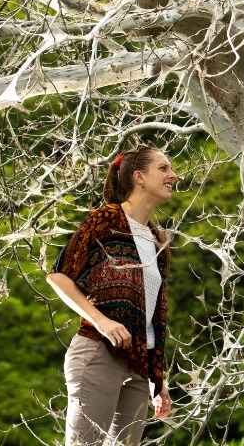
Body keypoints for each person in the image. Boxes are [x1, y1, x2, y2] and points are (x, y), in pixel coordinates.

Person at [46, 145, 176, 445]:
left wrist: (158, 377)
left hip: (139, 365)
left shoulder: (158, 239)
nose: (173, 175)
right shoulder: (106, 221)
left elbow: (153, 314)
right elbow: (58, 276)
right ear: (139, 177)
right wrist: (102, 321)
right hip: (98, 352)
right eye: (164, 168)